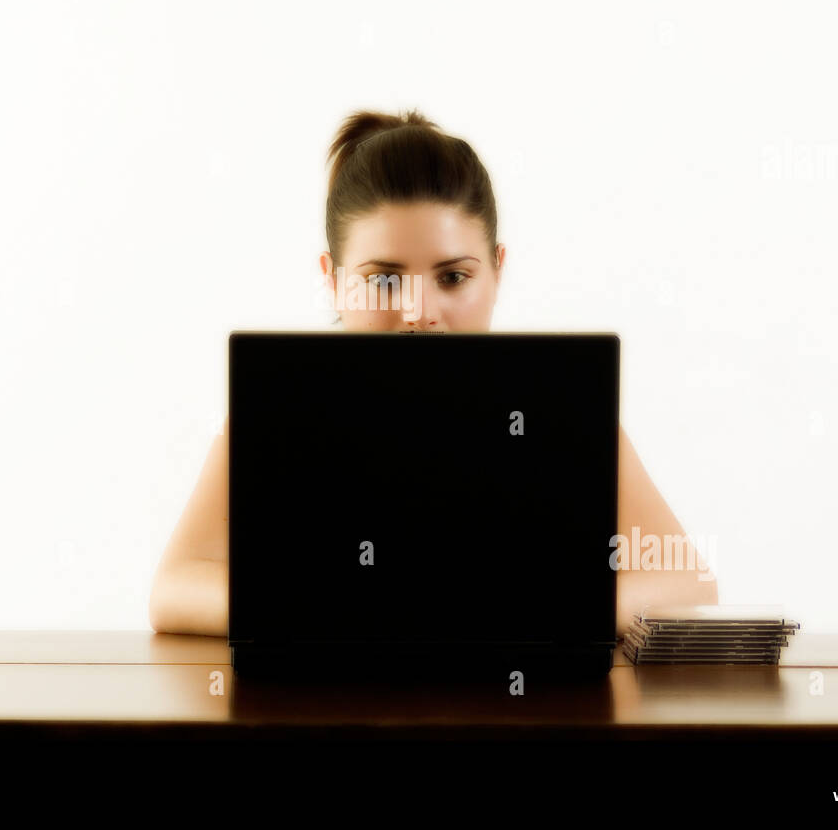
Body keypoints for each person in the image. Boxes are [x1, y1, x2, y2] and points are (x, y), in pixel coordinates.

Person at [149, 108, 719, 639]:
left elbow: (689, 585)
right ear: (334, 278)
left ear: (496, 270)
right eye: (383, 279)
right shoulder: (276, 412)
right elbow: (173, 589)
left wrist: (502, 604)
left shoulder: (562, 413)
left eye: (452, 277)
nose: (419, 311)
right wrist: (351, 600)